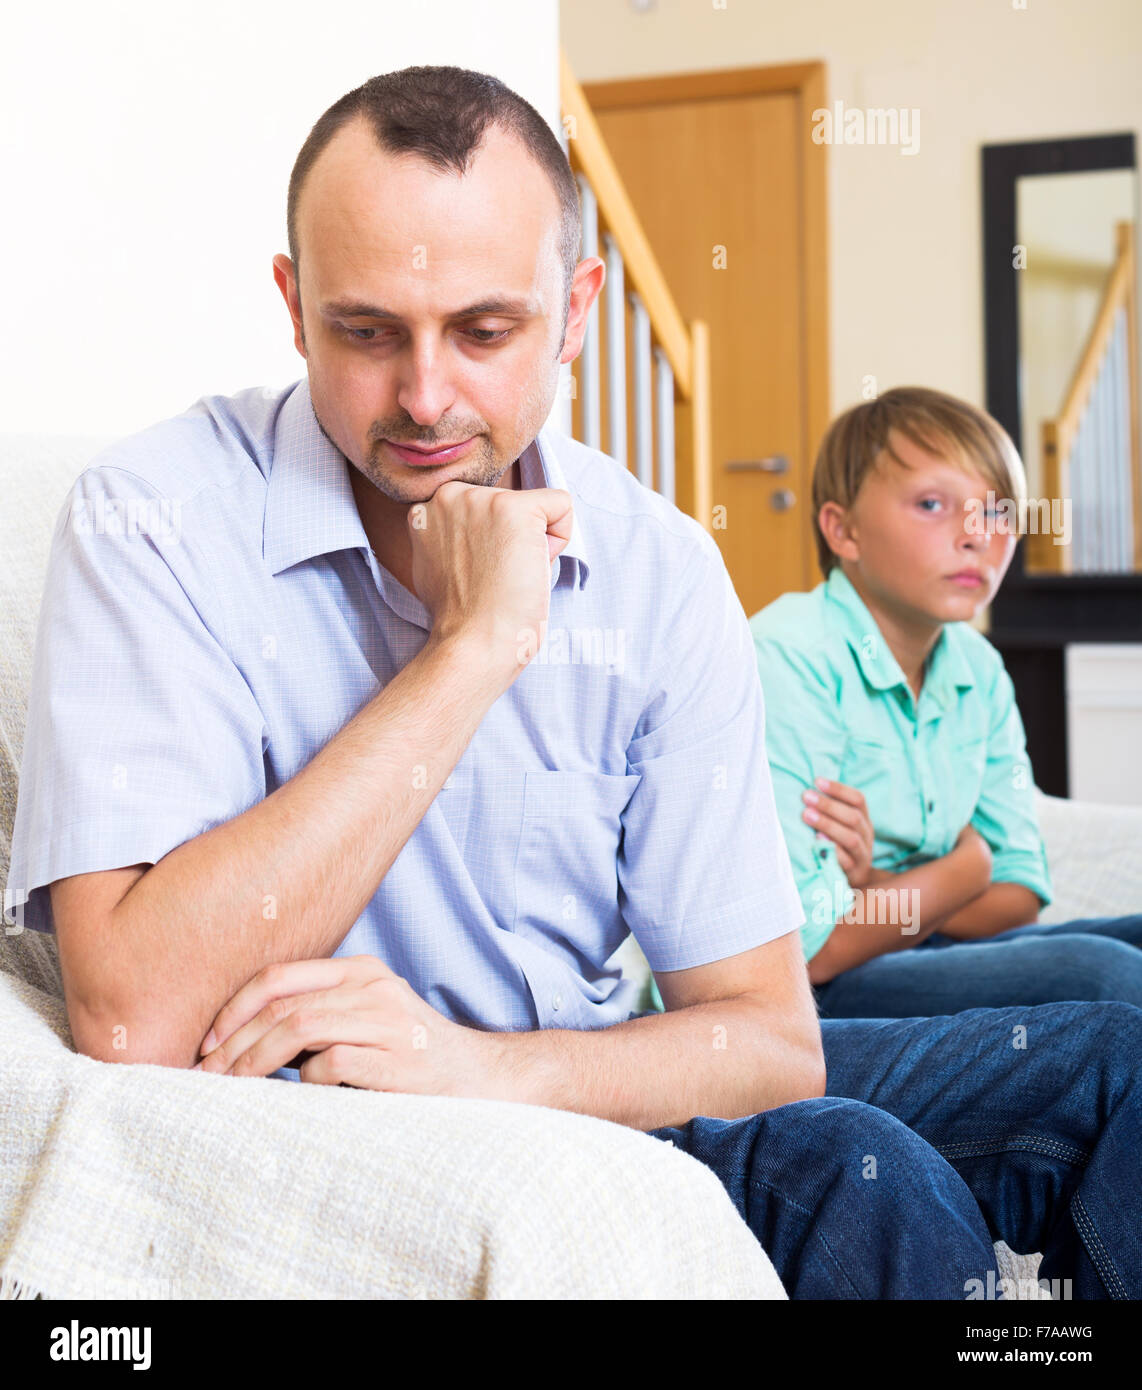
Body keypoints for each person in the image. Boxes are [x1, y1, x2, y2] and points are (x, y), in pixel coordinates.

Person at [7, 66, 1141, 1300]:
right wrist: (467, 651)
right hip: (365, 1129)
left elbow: (767, 1037)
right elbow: (133, 1018)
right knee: (860, 1178)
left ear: (577, 311)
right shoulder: (155, 523)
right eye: (367, 331)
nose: (425, 396)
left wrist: (484, 1068)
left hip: (584, 1074)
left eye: (485, 332)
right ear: (293, 306)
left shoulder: (656, 566)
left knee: (1115, 1056)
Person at [749, 386, 1142, 1020]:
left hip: (916, 948)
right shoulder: (791, 656)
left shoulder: (977, 668)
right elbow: (812, 944)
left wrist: (879, 887)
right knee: (1105, 976)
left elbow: (1020, 894)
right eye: (932, 504)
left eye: (997, 511)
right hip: (813, 989)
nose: (977, 536)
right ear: (843, 530)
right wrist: (967, 867)